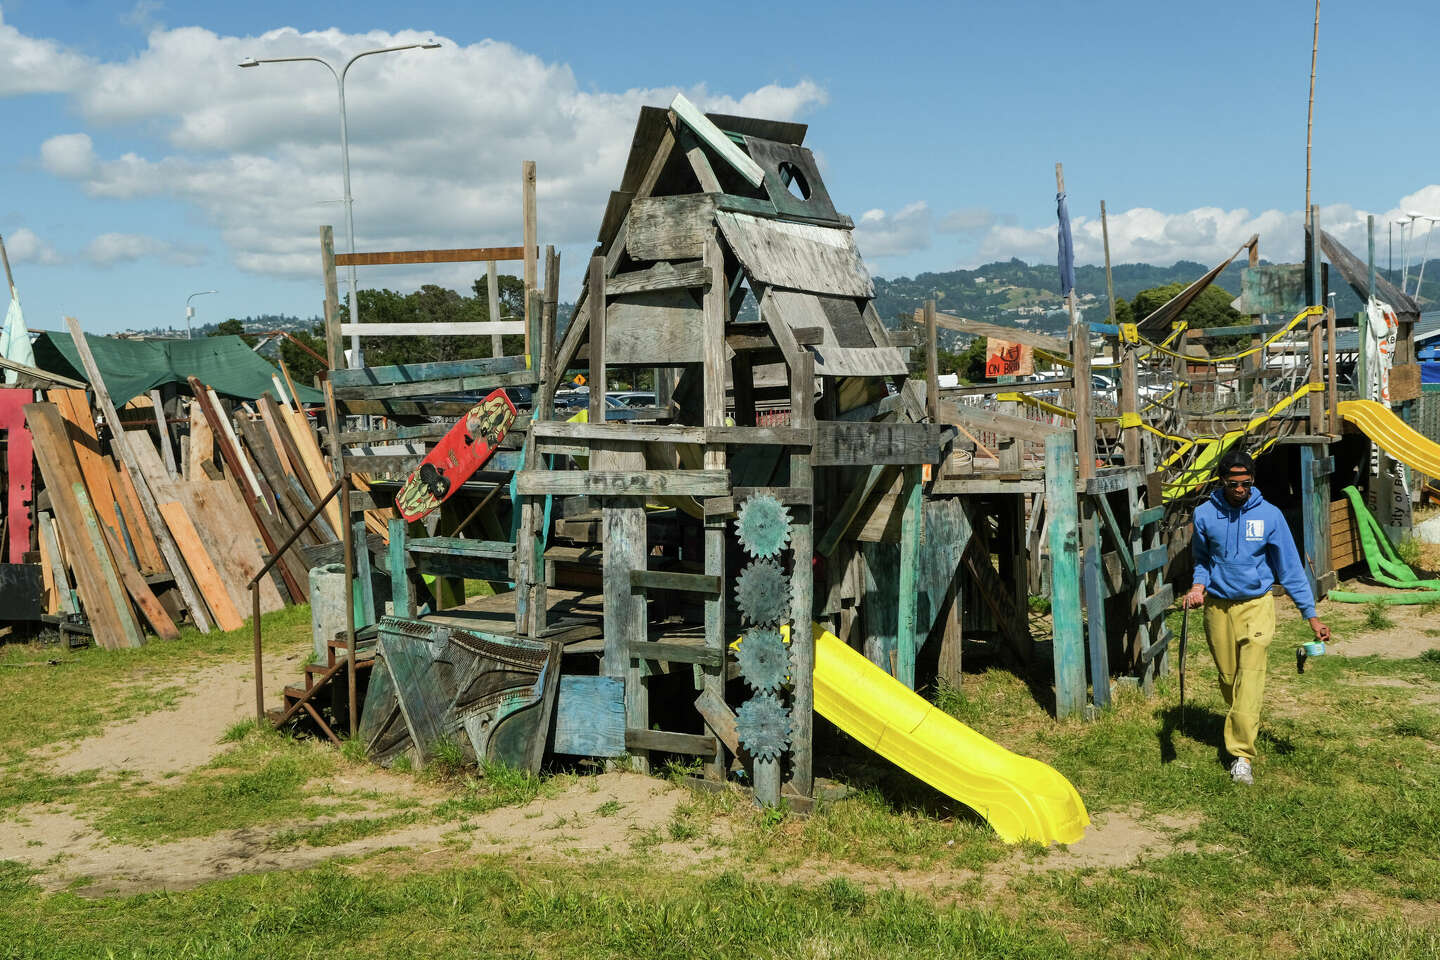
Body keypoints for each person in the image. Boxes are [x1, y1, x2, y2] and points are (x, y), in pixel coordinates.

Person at [1182, 449, 1330, 785]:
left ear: (1252, 481)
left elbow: (1290, 570)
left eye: (1245, 483)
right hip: (1218, 607)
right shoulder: (1205, 514)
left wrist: (1312, 617)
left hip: (1257, 605)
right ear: (1222, 481)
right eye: (1233, 483)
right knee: (1228, 678)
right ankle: (1242, 723)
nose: (1239, 489)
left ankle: (1241, 755)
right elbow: (1202, 561)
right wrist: (1197, 586)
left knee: (1250, 677)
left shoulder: (1270, 516)